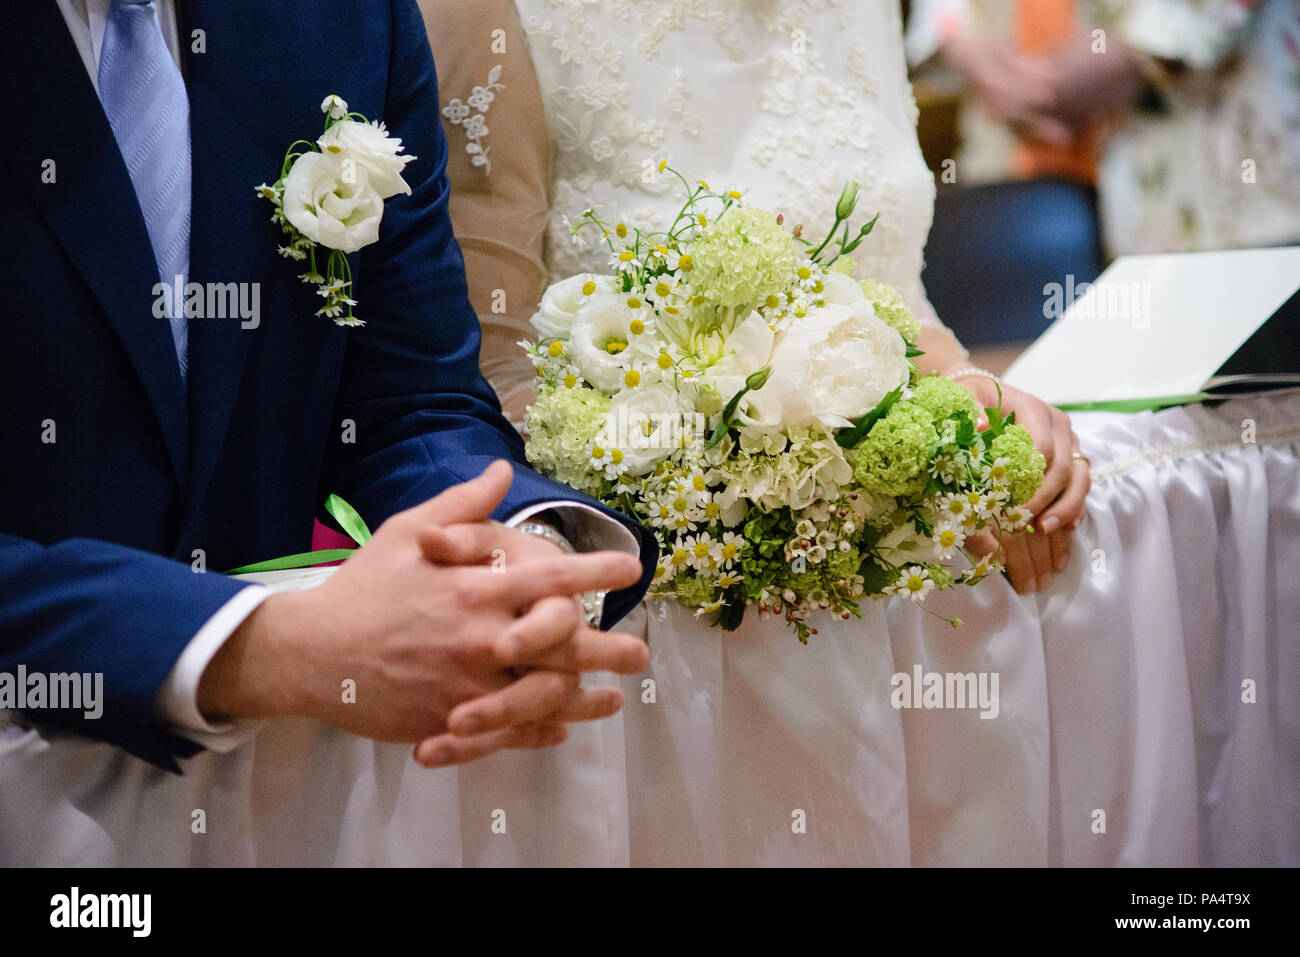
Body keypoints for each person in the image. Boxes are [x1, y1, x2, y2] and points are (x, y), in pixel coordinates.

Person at [423, 0, 1091, 865]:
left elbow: (893, 289)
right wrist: (722, 485)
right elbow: (492, 361)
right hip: (671, 623)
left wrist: (967, 400)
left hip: (912, 602)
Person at [0, 0, 659, 797]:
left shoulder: (349, 17)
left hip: (270, 794)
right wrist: (263, 647)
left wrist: (516, 554)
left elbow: (407, 401)